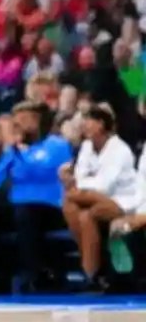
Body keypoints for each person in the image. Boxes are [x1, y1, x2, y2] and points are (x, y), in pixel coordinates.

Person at [0, 100, 71, 293]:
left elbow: (40, 172)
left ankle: (34, 275)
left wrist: (19, 152)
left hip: (50, 206)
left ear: (39, 120)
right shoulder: (14, 149)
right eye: (16, 121)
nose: (18, 125)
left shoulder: (57, 145)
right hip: (18, 205)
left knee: (25, 213)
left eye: (24, 119)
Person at [61, 104, 140, 292]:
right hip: (94, 198)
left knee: (82, 209)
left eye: (89, 121)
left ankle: (91, 272)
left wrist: (80, 188)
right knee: (71, 206)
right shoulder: (87, 146)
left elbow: (105, 185)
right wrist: (81, 187)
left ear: (102, 124)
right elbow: (80, 176)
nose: (84, 126)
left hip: (124, 202)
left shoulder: (120, 149)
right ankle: (91, 269)